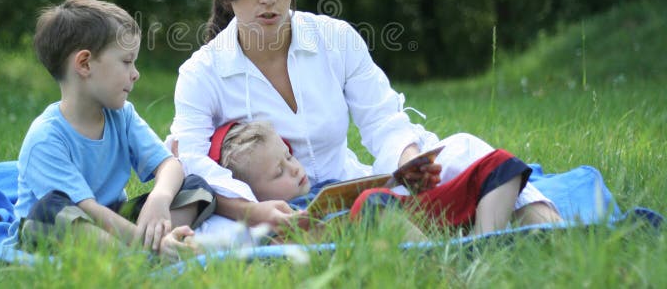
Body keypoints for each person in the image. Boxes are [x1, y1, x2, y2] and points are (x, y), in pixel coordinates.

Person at [169, 0, 561, 232]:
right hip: (267, 210)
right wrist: (248, 211)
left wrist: (410, 163)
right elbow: (190, 160)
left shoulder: (334, 38)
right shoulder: (202, 72)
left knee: (467, 148)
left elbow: (382, 119)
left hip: (352, 188)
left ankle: (544, 226)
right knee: (214, 234)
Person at [12, 0, 215, 260]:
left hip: (115, 219)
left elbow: (169, 165)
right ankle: (147, 252)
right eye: (126, 61)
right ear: (84, 64)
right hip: (69, 225)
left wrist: (160, 198)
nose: (136, 73)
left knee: (197, 187)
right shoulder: (45, 137)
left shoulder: (122, 115)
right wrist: (140, 240)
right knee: (50, 210)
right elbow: (88, 209)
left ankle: (154, 244)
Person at [213, 121, 532, 237]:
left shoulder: (333, 183)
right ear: (254, 193)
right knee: (371, 204)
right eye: (279, 172)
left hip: (416, 216)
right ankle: (444, 268)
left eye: (289, 157)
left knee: (498, 163)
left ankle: (483, 244)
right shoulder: (274, 223)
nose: (294, 168)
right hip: (381, 227)